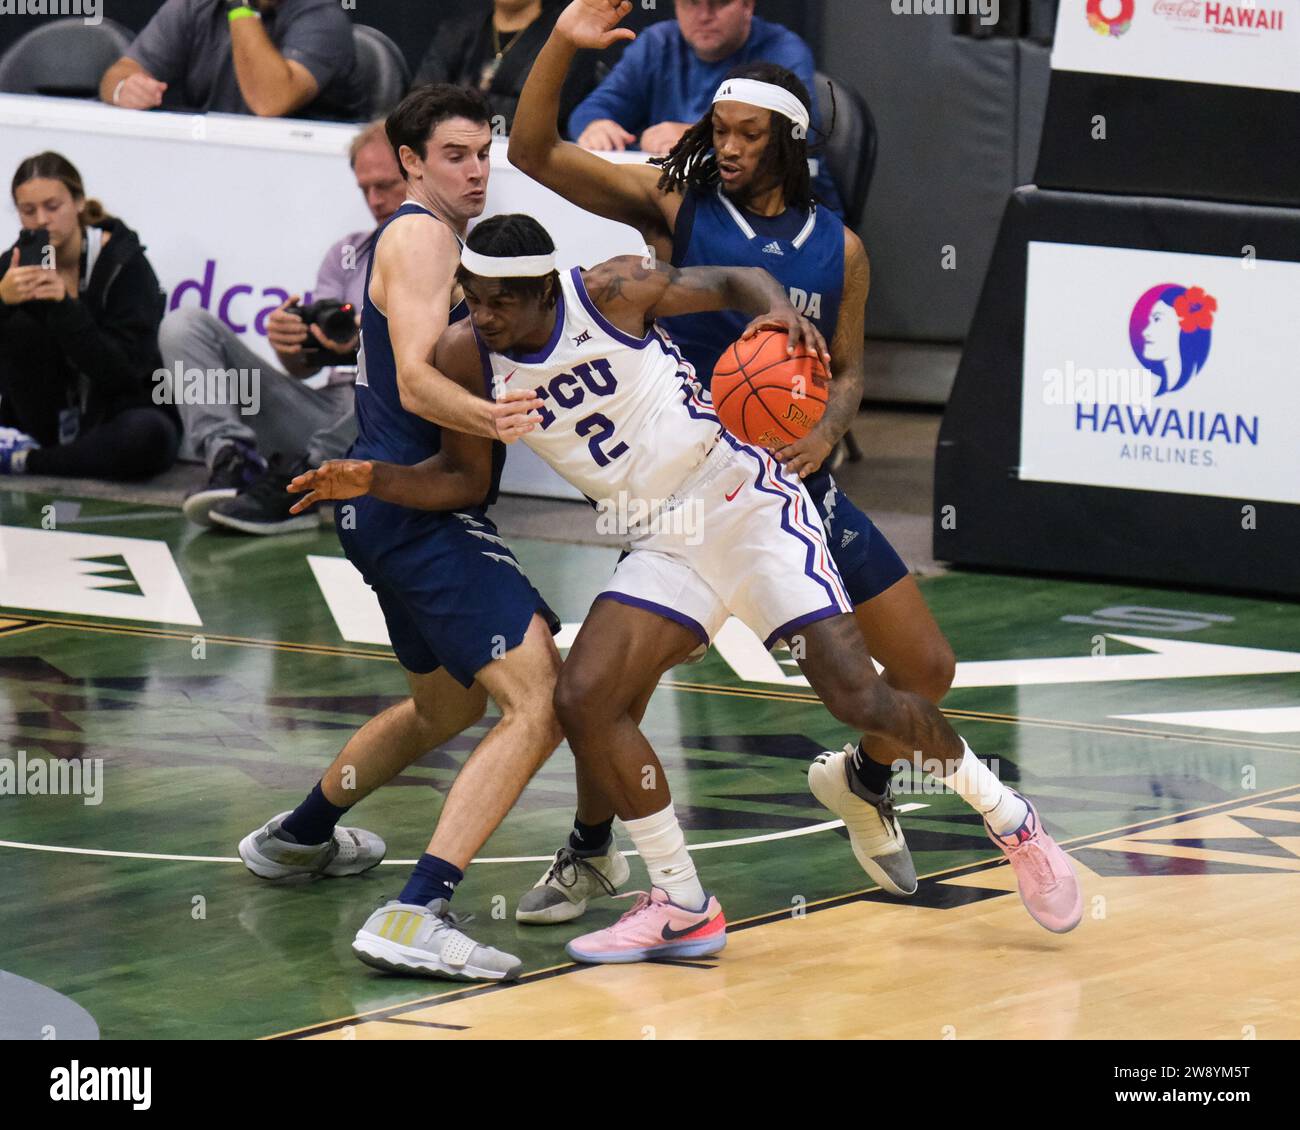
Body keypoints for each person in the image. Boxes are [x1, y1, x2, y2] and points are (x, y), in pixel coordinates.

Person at [286, 215, 1081, 970]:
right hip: (662, 538)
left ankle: (1015, 825)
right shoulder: (466, 354)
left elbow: (737, 278)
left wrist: (777, 316)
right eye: (474, 295)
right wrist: (374, 479)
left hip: (741, 499)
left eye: (502, 301)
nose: (484, 314)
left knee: (859, 699)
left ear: (544, 292)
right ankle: (682, 902)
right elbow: (460, 480)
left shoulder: (614, 288)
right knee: (585, 697)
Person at [506, 0, 1083, 937]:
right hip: (686, 483)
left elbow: (850, 371)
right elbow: (533, 152)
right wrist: (563, 45)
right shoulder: (675, 197)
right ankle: (590, 845)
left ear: (789, 142)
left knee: (924, 668)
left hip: (791, 483)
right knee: (611, 690)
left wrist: (828, 432)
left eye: (746, 134)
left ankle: (865, 778)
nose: (726, 147)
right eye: (719, 130)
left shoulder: (839, 249)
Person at [237, 85, 560, 983]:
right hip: (420, 507)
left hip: (392, 506)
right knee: (539, 696)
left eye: (484, 153)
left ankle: (297, 838)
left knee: (445, 708)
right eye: (455, 153)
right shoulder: (419, 234)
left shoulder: (445, 243)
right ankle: (420, 911)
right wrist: (497, 420)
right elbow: (418, 384)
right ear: (411, 163)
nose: (477, 169)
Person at [162, 120, 406, 535]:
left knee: (401, 357)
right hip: (327, 410)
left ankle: (311, 477)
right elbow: (307, 366)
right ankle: (232, 458)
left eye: (385, 185)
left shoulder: (453, 253)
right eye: (364, 188)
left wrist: (376, 333)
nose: (374, 200)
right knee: (183, 325)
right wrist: (291, 343)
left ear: (415, 171)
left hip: (394, 419)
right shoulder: (345, 253)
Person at [567, 0, 843, 216]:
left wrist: (698, 138)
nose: (704, 15)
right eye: (691, 2)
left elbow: (796, 137)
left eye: (719, 3)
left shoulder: (784, 50)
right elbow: (591, 109)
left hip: (780, 215)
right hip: (692, 208)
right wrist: (595, 125)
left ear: (748, 4)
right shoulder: (657, 42)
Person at [0, 152, 179, 480]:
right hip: (40, 414)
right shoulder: (17, 263)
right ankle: (38, 452)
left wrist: (64, 307)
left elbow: (124, 371)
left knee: (149, 436)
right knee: (18, 324)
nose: (41, 220)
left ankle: (30, 461)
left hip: (117, 410)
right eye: (28, 211)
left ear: (79, 202)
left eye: (53, 207)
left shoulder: (125, 263)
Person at [99, 0, 364, 121]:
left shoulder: (323, 17)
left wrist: (240, 8)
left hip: (299, 171)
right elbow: (119, 72)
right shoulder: (193, 8)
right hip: (214, 158)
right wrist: (125, 88)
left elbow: (269, 101)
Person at [413, 0, 600, 135]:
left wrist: (452, 112)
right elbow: (419, 101)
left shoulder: (566, 39)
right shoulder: (456, 32)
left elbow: (536, 117)